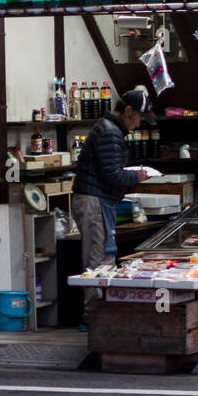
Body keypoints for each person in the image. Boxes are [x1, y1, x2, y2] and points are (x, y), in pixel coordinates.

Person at [71, 86, 159, 322]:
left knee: (103, 255)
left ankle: (101, 313)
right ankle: (94, 317)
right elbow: (111, 173)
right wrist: (137, 176)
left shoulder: (109, 129)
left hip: (98, 199)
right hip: (95, 200)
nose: (140, 123)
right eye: (140, 117)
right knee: (98, 259)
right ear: (128, 111)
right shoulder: (110, 132)